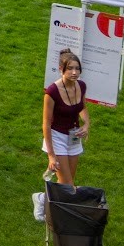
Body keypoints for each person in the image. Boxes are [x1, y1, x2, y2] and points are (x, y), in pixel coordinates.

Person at [43, 50, 91, 185]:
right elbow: (46, 124)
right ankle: (43, 196)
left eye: (77, 68)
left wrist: (86, 124)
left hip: (74, 136)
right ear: (61, 69)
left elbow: (82, 107)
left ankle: (44, 197)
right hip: (57, 138)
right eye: (70, 68)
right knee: (68, 185)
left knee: (66, 182)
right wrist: (51, 155)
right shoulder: (52, 92)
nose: (74, 72)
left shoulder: (81, 86)